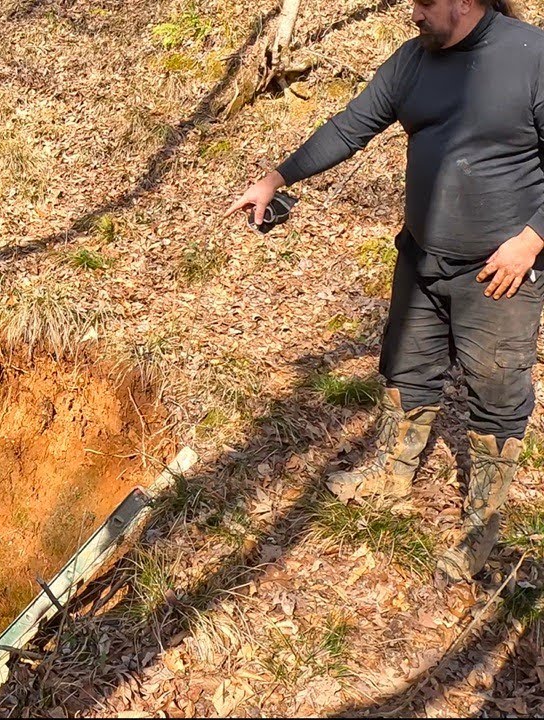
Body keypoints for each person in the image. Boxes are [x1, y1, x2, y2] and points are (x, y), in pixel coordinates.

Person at [227, 0, 542, 581]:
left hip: (500, 271)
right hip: (421, 257)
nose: (413, 14)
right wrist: (277, 178)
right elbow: (351, 126)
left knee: (496, 395)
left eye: (423, 3)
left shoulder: (531, 58)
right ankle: (390, 476)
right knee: (407, 368)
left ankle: (481, 530)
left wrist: (531, 240)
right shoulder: (412, 62)